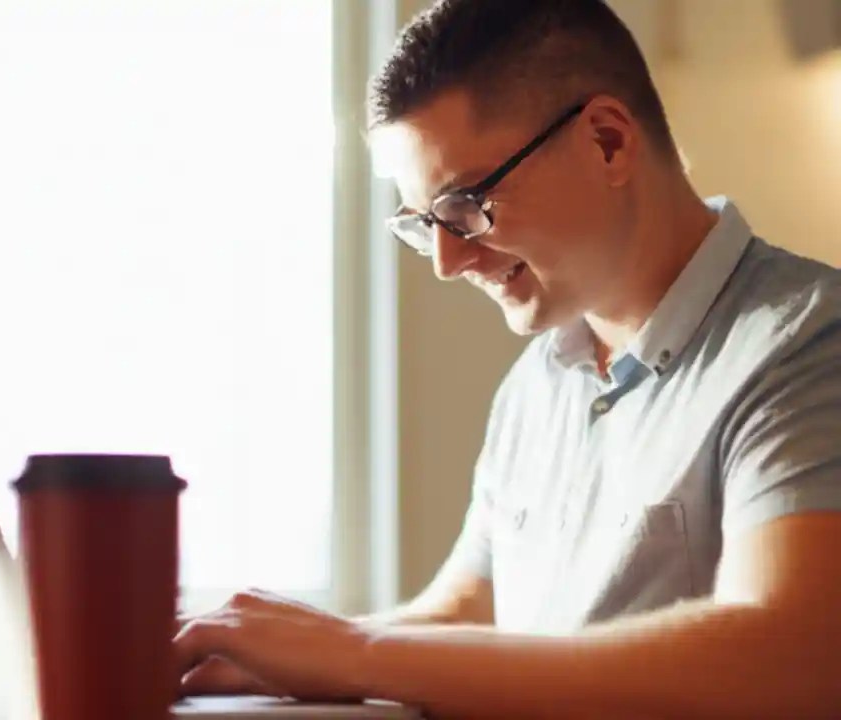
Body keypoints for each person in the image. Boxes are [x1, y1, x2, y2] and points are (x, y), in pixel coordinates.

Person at [173, 1, 841, 717]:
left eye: (464, 209)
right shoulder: (536, 389)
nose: (446, 262)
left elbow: (791, 653)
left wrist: (356, 654)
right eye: (423, 225)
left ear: (609, 141)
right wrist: (260, 650)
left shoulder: (805, 340)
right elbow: (470, 612)